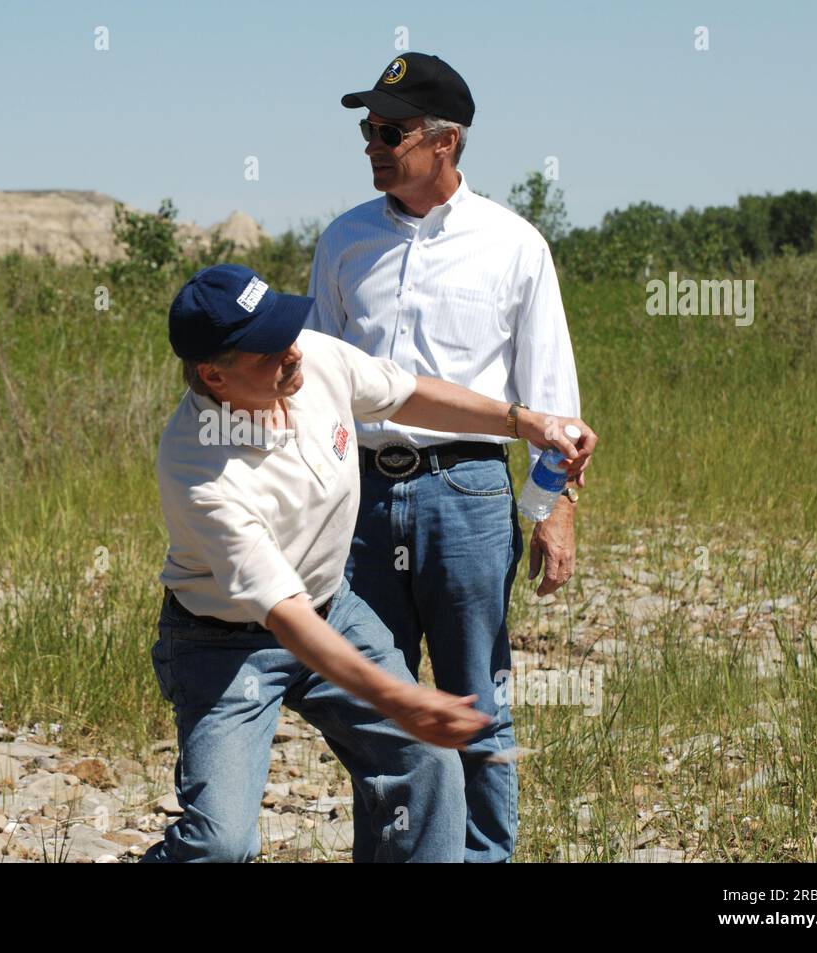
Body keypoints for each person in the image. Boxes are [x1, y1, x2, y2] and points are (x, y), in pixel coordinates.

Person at [144, 263, 594, 862]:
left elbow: (409, 393)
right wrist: (401, 698)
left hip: (333, 608)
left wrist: (525, 422)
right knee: (220, 844)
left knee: (429, 762)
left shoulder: (311, 361)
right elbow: (286, 617)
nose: (292, 353)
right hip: (225, 644)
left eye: (287, 331)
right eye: (268, 349)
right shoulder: (198, 469)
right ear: (213, 375)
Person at [305, 52, 586, 862]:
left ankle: (484, 855)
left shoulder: (515, 245)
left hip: (464, 492)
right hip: (360, 498)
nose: (372, 146)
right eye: (367, 130)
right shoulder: (344, 241)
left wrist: (555, 512)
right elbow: (320, 383)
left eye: (391, 131)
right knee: (379, 699)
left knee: (476, 699)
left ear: (447, 142)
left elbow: (552, 395)